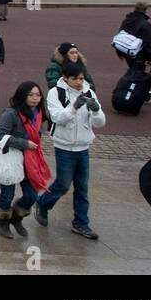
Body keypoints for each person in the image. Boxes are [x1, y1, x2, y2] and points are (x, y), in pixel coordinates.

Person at [33, 59, 105, 240]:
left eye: (81, 78)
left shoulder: (89, 92)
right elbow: (57, 118)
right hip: (64, 146)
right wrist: (74, 107)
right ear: (65, 78)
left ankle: (81, 223)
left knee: (82, 187)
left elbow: (100, 122)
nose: (79, 82)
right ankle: (43, 203)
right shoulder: (54, 93)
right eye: (75, 79)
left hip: (83, 146)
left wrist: (96, 111)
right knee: (63, 184)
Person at [0, 81, 51, 240]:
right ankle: (3, 223)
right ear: (22, 96)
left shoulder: (38, 114)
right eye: (31, 95)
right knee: (7, 194)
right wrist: (24, 143)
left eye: (38, 95)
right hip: (11, 159)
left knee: (31, 195)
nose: (35, 98)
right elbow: (1, 136)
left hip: (30, 161)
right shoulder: (11, 113)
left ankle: (16, 218)